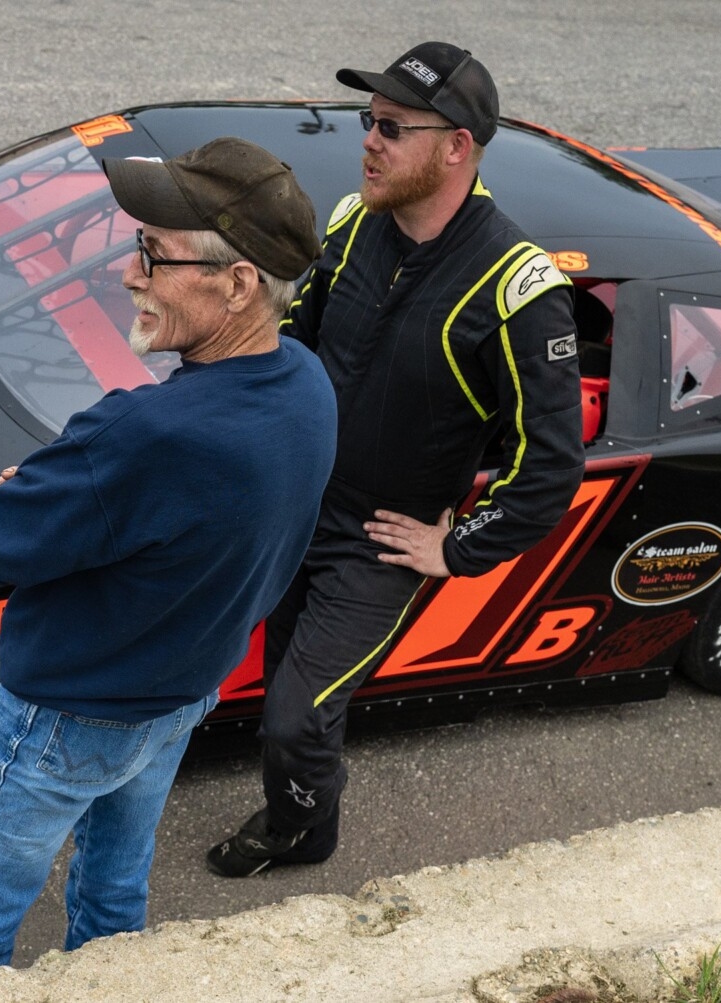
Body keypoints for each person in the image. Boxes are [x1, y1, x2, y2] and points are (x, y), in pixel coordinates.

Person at [0, 137, 337, 1002]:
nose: (129, 275)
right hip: (181, 698)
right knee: (112, 899)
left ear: (239, 283)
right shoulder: (307, 385)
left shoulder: (146, 433)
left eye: (152, 255)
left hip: (64, 717)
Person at [205, 42, 586, 878]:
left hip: (381, 541)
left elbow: (551, 466)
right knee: (278, 676)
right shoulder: (351, 222)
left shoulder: (520, 288)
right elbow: (288, 350)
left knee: (296, 715)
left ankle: (299, 830)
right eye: (366, 122)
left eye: (391, 127)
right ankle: (301, 803)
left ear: (457, 147)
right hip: (298, 502)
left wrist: (455, 550)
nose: (368, 141)